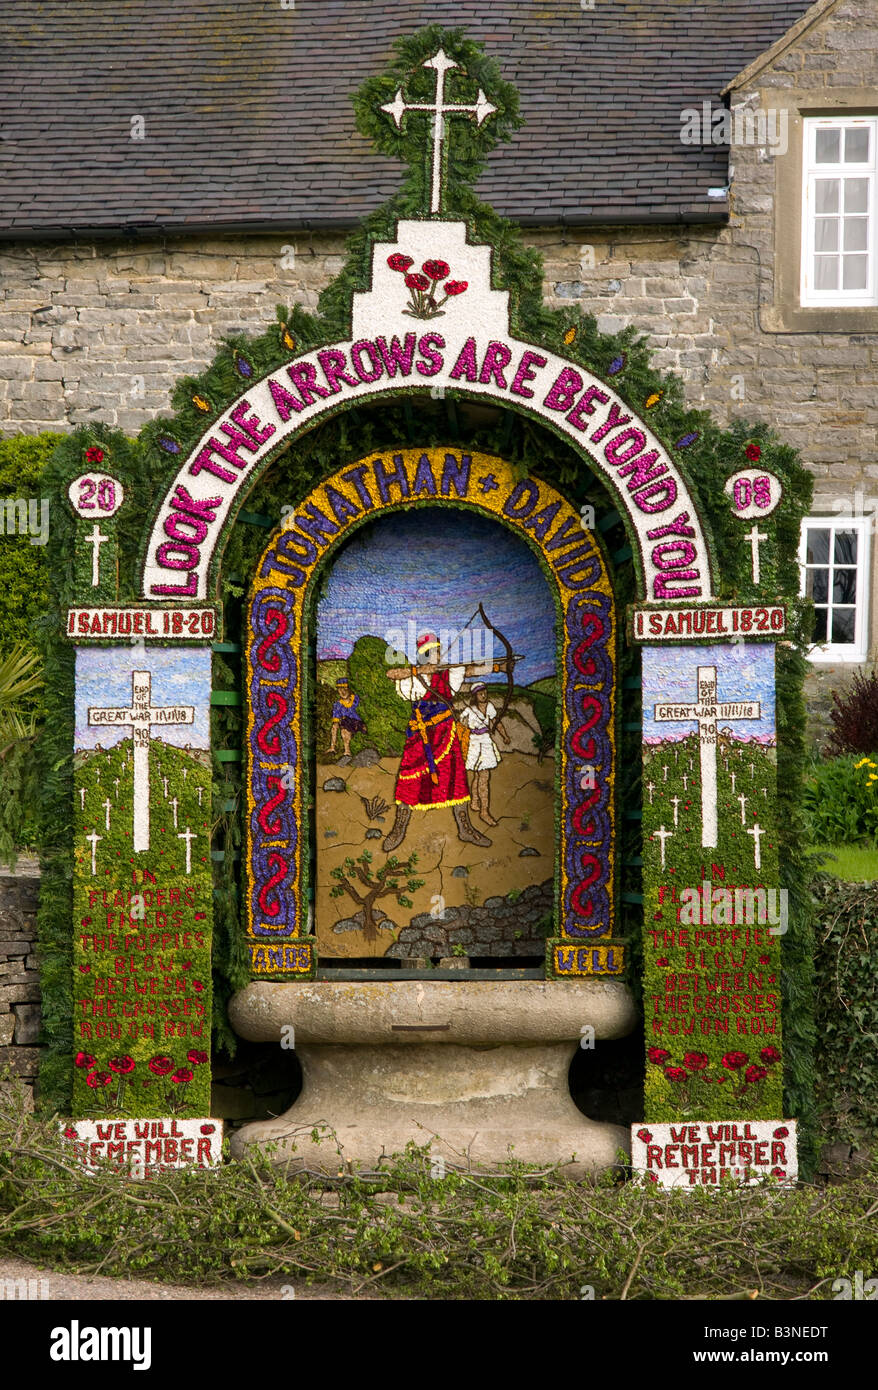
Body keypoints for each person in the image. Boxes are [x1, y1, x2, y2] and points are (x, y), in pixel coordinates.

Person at [382, 632, 491, 852]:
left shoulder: (449, 673)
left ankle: (465, 828)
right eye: (436, 652)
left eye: (440, 651)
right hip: (421, 736)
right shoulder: (412, 675)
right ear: (426, 655)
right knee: (408, 779)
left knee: (456, 778)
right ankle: (398, 829)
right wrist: (421, 671)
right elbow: (391, 673)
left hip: (446, 733)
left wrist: (497, 668)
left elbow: (469, 670)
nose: (440, 655)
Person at [458, 681, 510, 827]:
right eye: (480, 693)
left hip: (486, 741)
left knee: (482, 776)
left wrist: (504, 735)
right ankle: (482, 809)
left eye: (485, 692)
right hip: (474, 743)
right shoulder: (470, 710)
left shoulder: (490, 707)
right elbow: (461, 725)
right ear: (475, 696)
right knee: (481, 776)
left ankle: (479, 805)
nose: (483, 695)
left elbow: (496, 722)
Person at [327, 676, 366, 758]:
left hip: (359, 723)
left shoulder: (356, 699)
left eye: (345, 688)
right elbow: (335, 723)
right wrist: (332, 745)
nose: (343, 691)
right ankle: (345, 750)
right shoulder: (338, 705)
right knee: (342, 726)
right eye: (340, 689)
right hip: (347, 725)